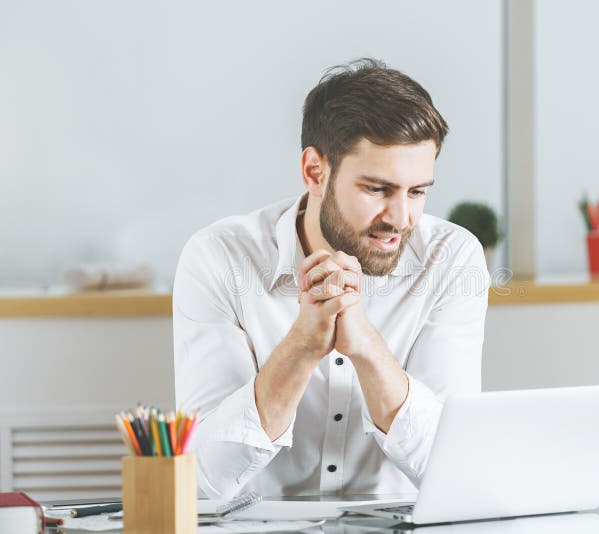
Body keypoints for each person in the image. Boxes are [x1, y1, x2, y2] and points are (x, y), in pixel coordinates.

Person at [174, 58, 489, 499]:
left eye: (417, 192)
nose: (400, 218)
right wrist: (302, 346)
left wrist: (366, 348)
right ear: (315, 172)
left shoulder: (451, 258)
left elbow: (456, 472)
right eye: (377, 189)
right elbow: (201, 482)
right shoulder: (220, 258)